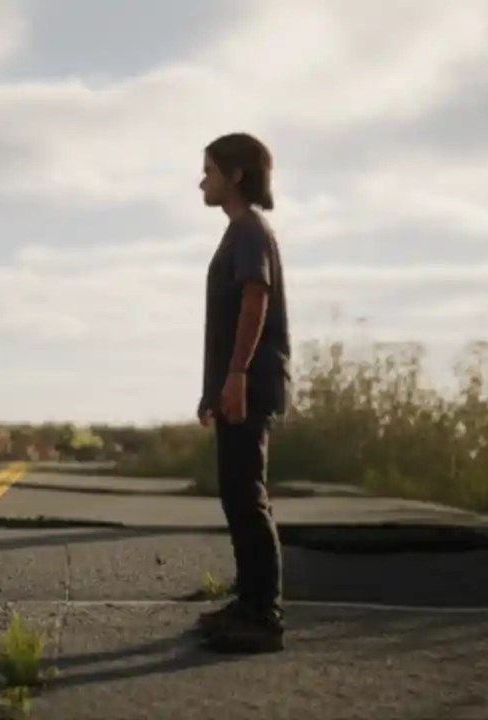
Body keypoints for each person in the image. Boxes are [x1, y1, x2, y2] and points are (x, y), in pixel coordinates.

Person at [193, 132, 290, 653]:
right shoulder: (239, 234)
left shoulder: (251, 232)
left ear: (234, 176)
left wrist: (236, 377)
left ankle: (264, 615)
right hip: (236, 383)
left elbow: (255, 303)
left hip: (251, 384)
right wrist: (214, 388)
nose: (200, 181)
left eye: (208, 171)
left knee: (247, 497)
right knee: (235, 495)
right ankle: (248, 603)